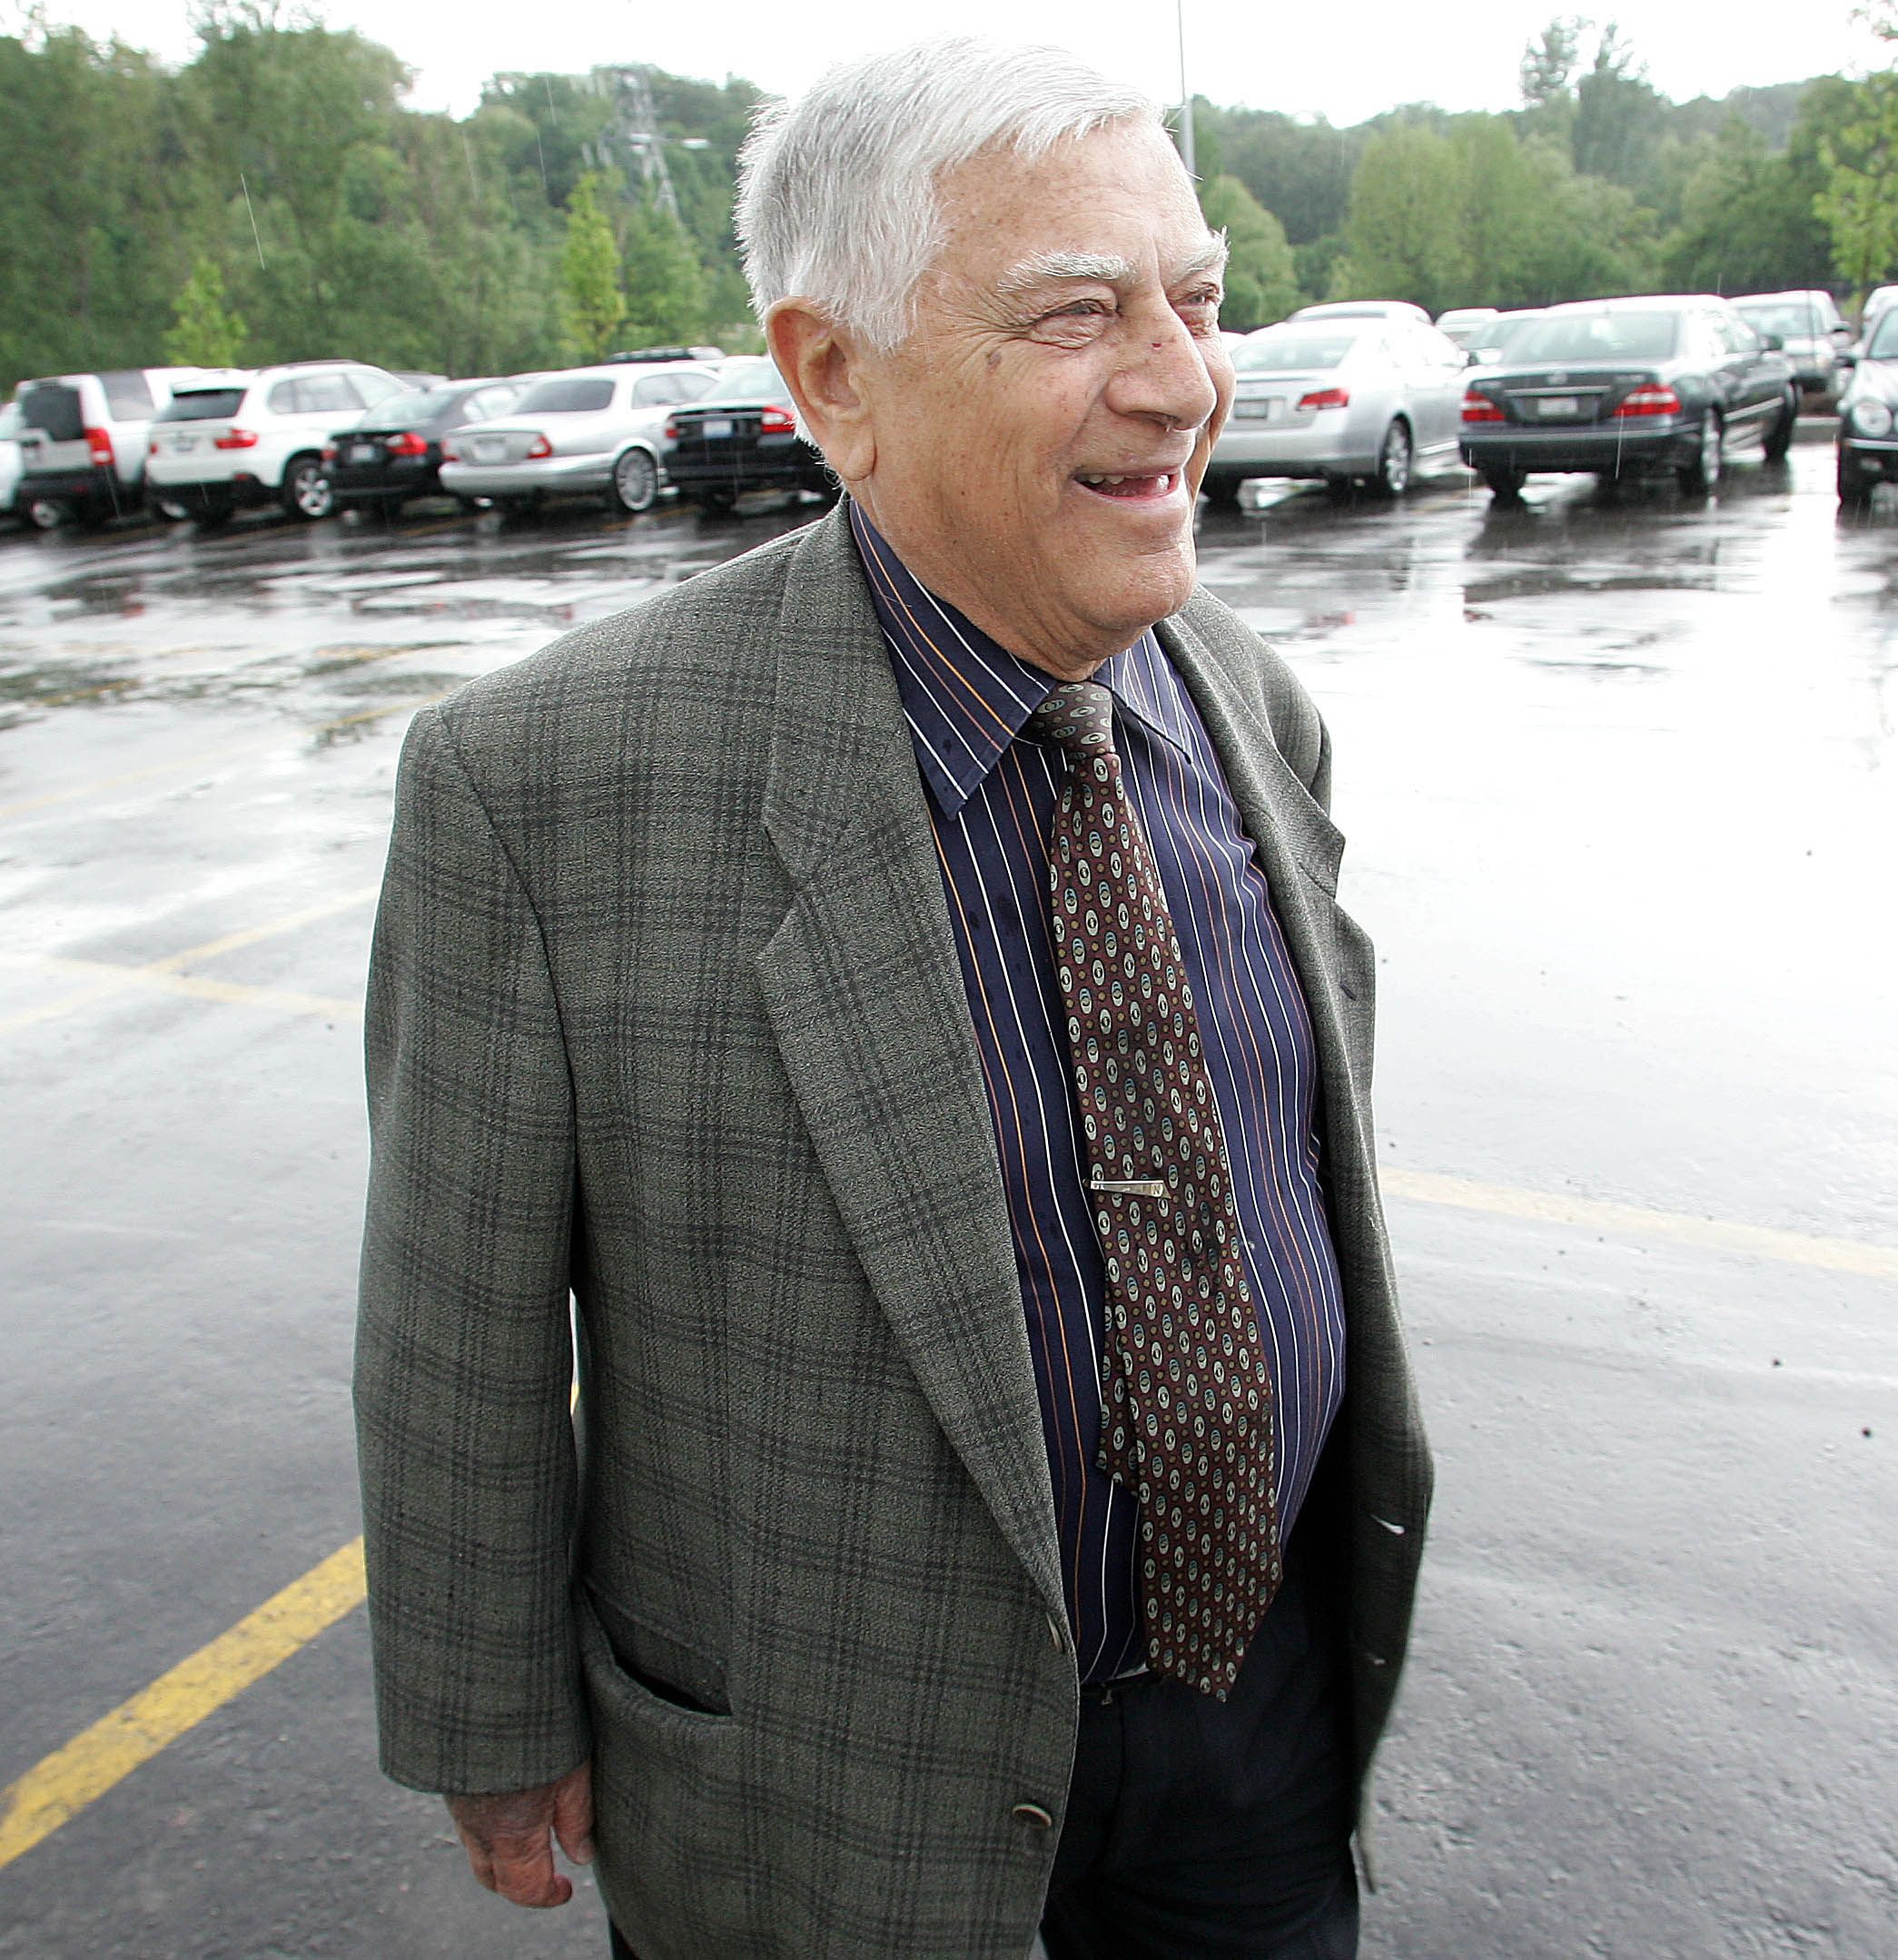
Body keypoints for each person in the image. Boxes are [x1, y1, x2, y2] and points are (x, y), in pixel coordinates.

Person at [353, 36, 1433, 1960]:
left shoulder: (1252, 700)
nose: (1182, 378)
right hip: (834, 1789)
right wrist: (488, 1719)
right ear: (830, 375)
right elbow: (458, 1336)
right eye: (1077, 313)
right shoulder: (539, 791)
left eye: (1195, 298)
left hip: (1259, 1735)